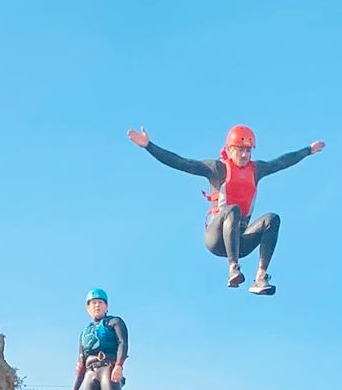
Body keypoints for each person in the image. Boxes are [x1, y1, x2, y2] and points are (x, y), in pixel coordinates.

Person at [128, 123, 325, 294]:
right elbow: (181, 162)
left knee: (272, 219)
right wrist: (148, 146)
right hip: (216, 237)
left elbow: (281, 162)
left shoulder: (256, 170)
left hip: (240, 241)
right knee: (233, 211)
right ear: (229, 149)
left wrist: (308, 150)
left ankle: (260, 277)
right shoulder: (217, 168)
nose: (245, 155)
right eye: (240, 150)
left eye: (248, 151)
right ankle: (233, 268)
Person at [72, 287, 130, 390]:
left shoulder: (114, 322)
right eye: (93, 303)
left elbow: (122, 344)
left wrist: (119, 365)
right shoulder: (84, 332)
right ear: (88, 308)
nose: (96, 305)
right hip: (90, 372)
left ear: (106, 306)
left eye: (100, 302)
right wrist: (75, 389)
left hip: (108, 367)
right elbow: (80, 363)